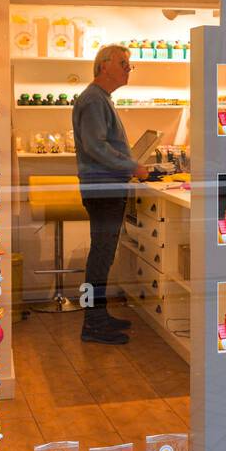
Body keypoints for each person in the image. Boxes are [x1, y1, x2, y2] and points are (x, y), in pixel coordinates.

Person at [71, 44, 154, 344]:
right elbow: (96, 146)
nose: (128, 69)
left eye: (129, 65)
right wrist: (132, 165)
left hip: (105, 187)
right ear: (104, 65)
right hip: (103, 189)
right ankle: (93, 322)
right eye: (123, 63)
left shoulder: (99, 98)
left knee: (103, 255)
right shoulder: (94, 100)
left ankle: (98, 315)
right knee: (101, 255)